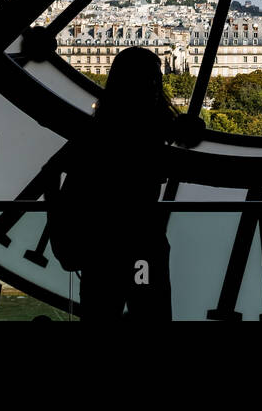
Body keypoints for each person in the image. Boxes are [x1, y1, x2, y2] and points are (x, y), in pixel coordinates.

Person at [44, 46, 177, 321]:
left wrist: (59, 222)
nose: (153, 85)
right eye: (151, 79)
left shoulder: (97, 132)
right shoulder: (157, 130)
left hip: (101, 248)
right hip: (144, 242)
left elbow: (52, 171)